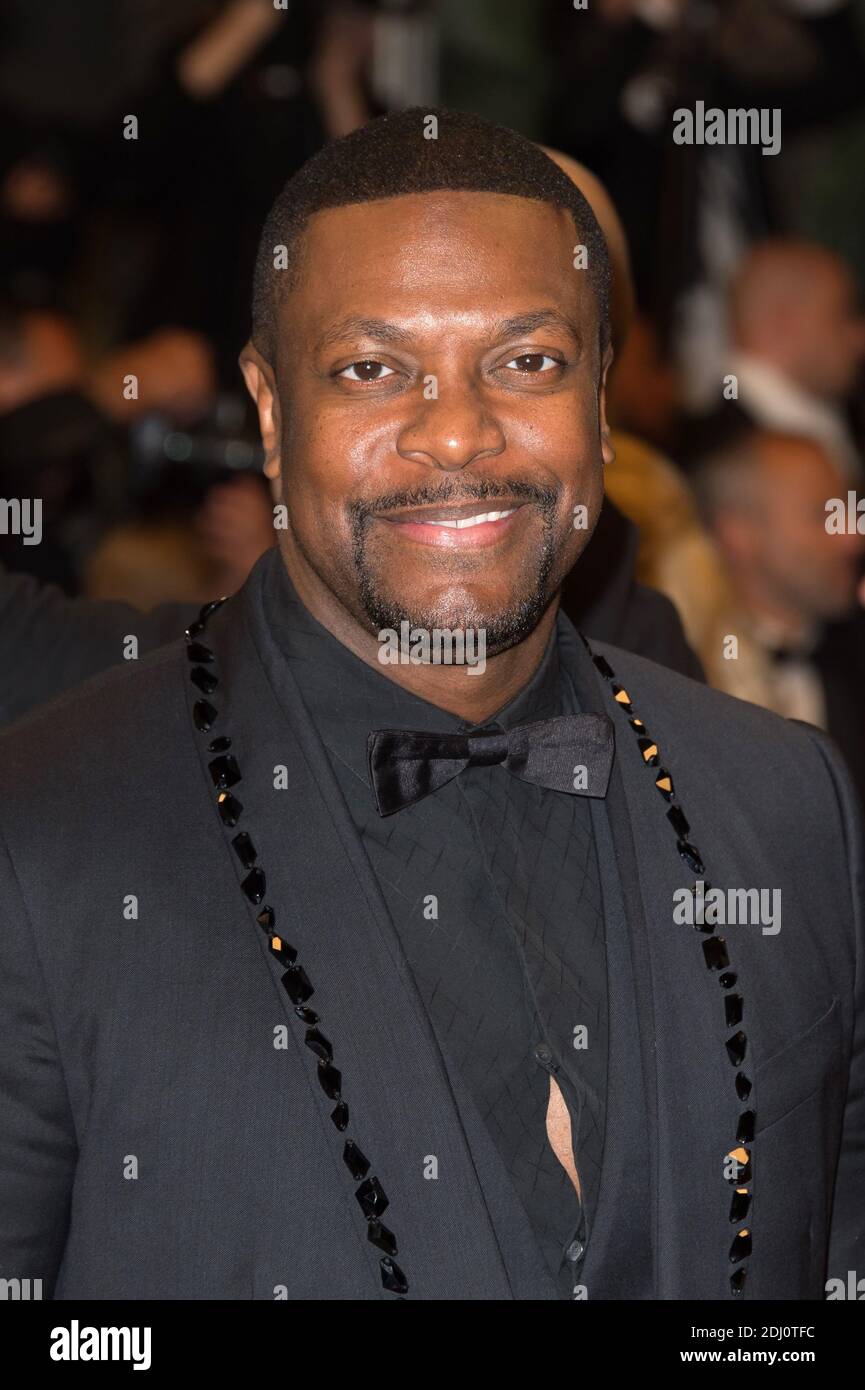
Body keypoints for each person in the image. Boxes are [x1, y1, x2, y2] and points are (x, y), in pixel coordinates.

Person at [0, 109, 861, 1302]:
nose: (456, 429)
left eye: (526, 362)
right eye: (372, 369)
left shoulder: (787, 800)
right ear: (266, 405)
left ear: (601, 399)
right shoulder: (43, 837)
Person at [691, 428, 865, 809]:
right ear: (738, 533)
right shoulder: (684, 670)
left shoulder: (852, 664)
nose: (853, 538)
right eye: (824, 514)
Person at [683, 239, 865, 481]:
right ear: (782, 322)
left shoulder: (822, 423)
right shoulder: (723, 451)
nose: (859, 336)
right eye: (842, 315)